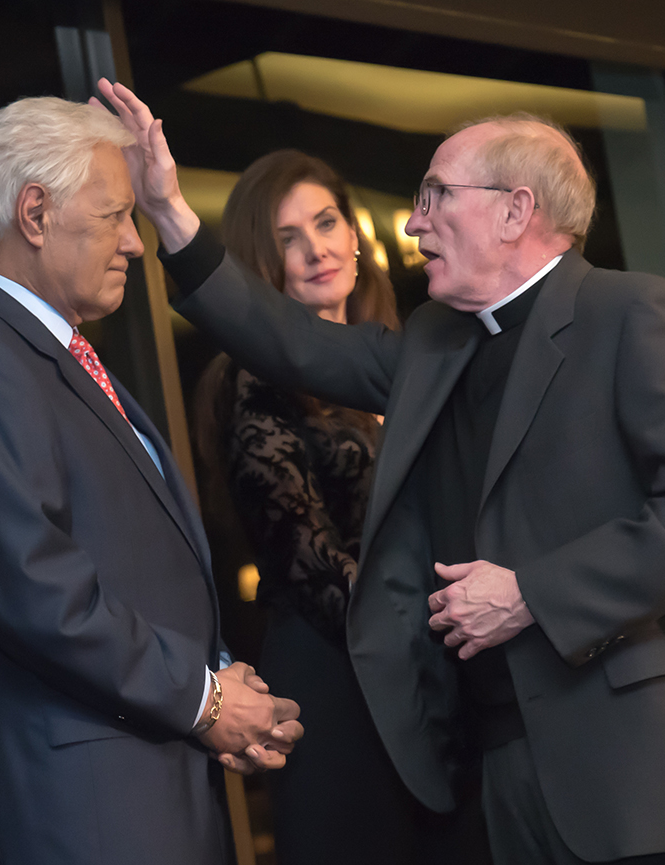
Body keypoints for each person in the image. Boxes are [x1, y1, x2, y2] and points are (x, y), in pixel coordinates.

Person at [100, 80, 665, 865]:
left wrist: (531, 594)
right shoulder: (436, 345)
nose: (413, 223)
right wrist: (172, 212)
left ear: (516, 211)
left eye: (437, 196)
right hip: (499, 782)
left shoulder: (634, 314)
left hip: (644, 772)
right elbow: (290, 343)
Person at [0, 95, 304, 865]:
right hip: (79, 814)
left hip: (138, 790)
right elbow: (35, 589)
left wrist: (220, 684)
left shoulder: (49, 353)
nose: (135, 243)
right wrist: (205, 699)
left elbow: (133, 568)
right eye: (116, 215)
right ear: (35, 212)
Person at [193, 149, 486, 865]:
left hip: (434, 680)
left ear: (355, 232)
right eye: (287, 237)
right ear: (261, 268)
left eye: (326, 222)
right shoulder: (251, 380)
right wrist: (450, 618)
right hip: (338, 683)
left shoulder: (408, 354)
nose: (316, 248)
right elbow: (309, 564)